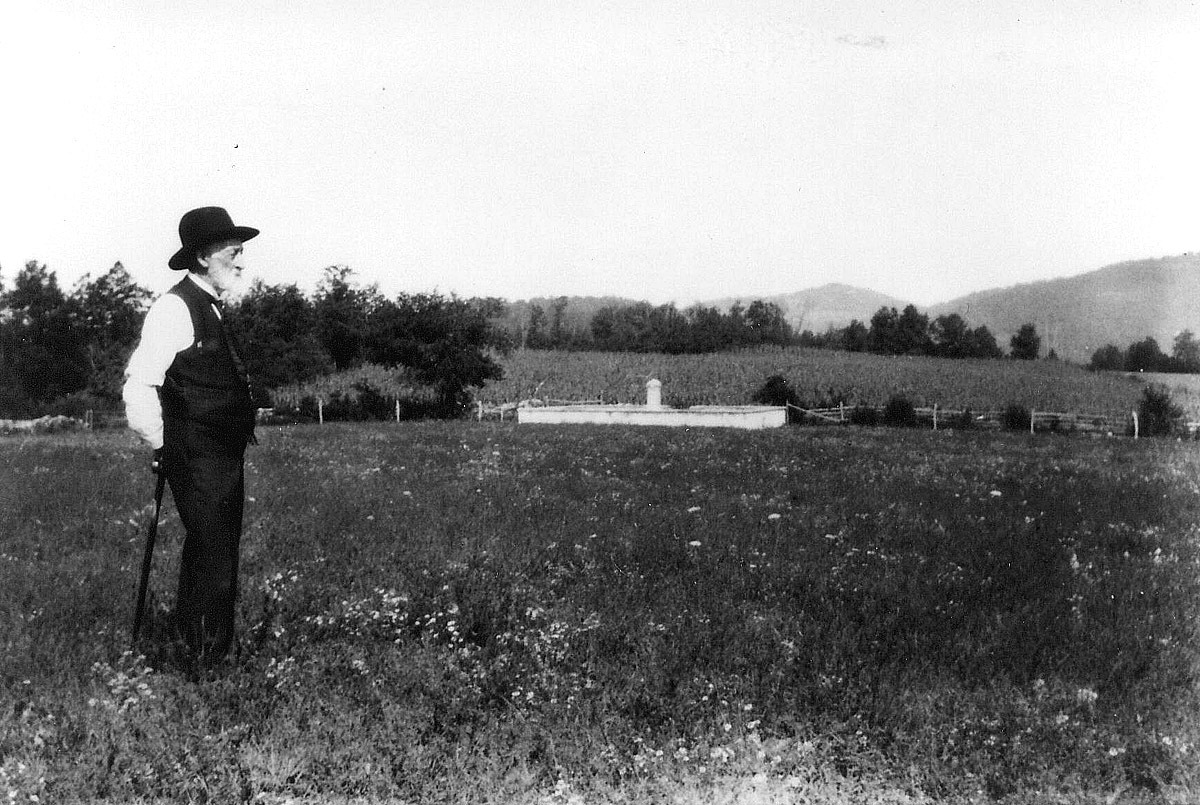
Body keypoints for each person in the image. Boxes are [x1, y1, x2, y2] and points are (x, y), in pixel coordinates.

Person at [123, 206, 260, 663]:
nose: (241, 260)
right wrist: (164, 445)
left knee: (215, 553)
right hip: (194, 454)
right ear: (203, 256)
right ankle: (202, 663)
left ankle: (200, 654)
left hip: (219, 455)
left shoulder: (212, 308)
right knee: (214, 556)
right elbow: (140, 385)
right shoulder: (174, 308)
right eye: (233, 252)